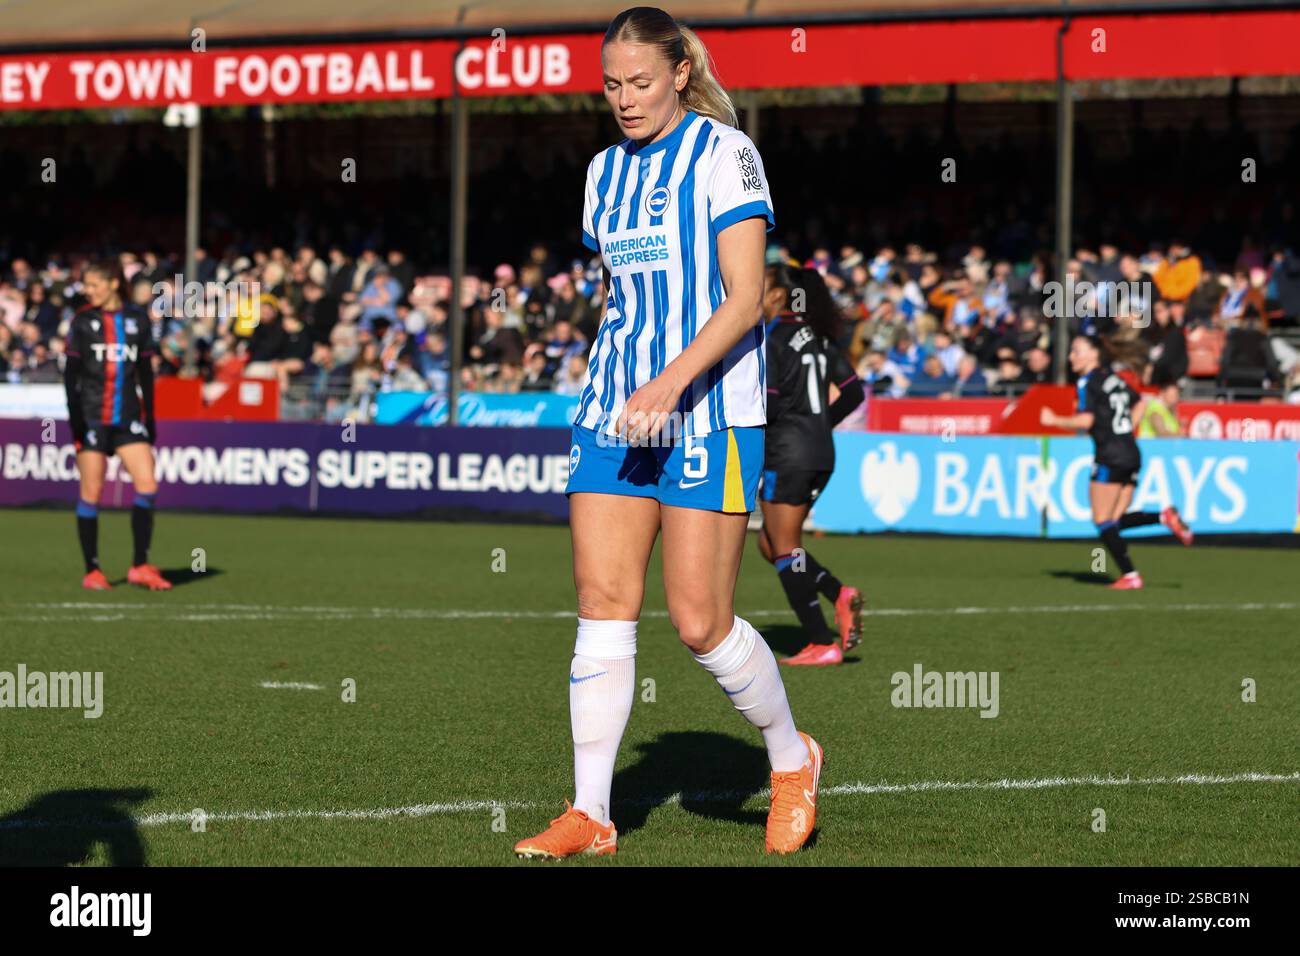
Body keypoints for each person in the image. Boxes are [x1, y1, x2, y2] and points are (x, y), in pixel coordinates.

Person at [514, 6, 822, 862]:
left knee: (699, 623)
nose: (624, 98)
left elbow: (744, 297)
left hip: (710, 412)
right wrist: (618, 378)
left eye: (640, 81)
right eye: (611, 84)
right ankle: (592, 812)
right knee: (602, 609)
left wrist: (671, 380)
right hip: (615, 410)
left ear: (680, 72)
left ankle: (793, 762)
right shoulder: (601, 173)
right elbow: (625, 298)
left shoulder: (728, 155)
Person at [757, 264, 864, 667]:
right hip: (821, 452)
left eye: (762, 287)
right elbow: (854, 393)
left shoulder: (774, 339)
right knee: (771, 544)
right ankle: (838, 593)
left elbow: (769, 403)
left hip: (788, 453)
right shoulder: (819, 337)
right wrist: (819, 426)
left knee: (783, 548)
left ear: (777, 295)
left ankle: (821, 642)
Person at [1040, 335, 1193, 590]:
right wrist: (1123, 430)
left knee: (1102, 520)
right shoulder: (1113, 378)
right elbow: (1141, 404)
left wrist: (1054, 419)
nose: (1071, 357)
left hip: (1110, 455)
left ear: (1093, 354)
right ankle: (1163, 517)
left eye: (1076, 351)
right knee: (1115, 520)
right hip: (1131, 452)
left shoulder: (1087, 381)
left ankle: (1131, 575)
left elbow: (1086, 421)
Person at [62, 261, 171, 591]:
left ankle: (140, 565)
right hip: (92, 418)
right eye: (87, 286)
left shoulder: (137, 319)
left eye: (94, 284)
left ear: (112, 283)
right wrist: (76, 421)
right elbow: (70, 377)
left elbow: (146, 373)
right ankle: (92, 570)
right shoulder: (82, 322)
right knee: (91, 493)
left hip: (128, 419)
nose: (88, 291)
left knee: (148, 485)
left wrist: (150, 417)